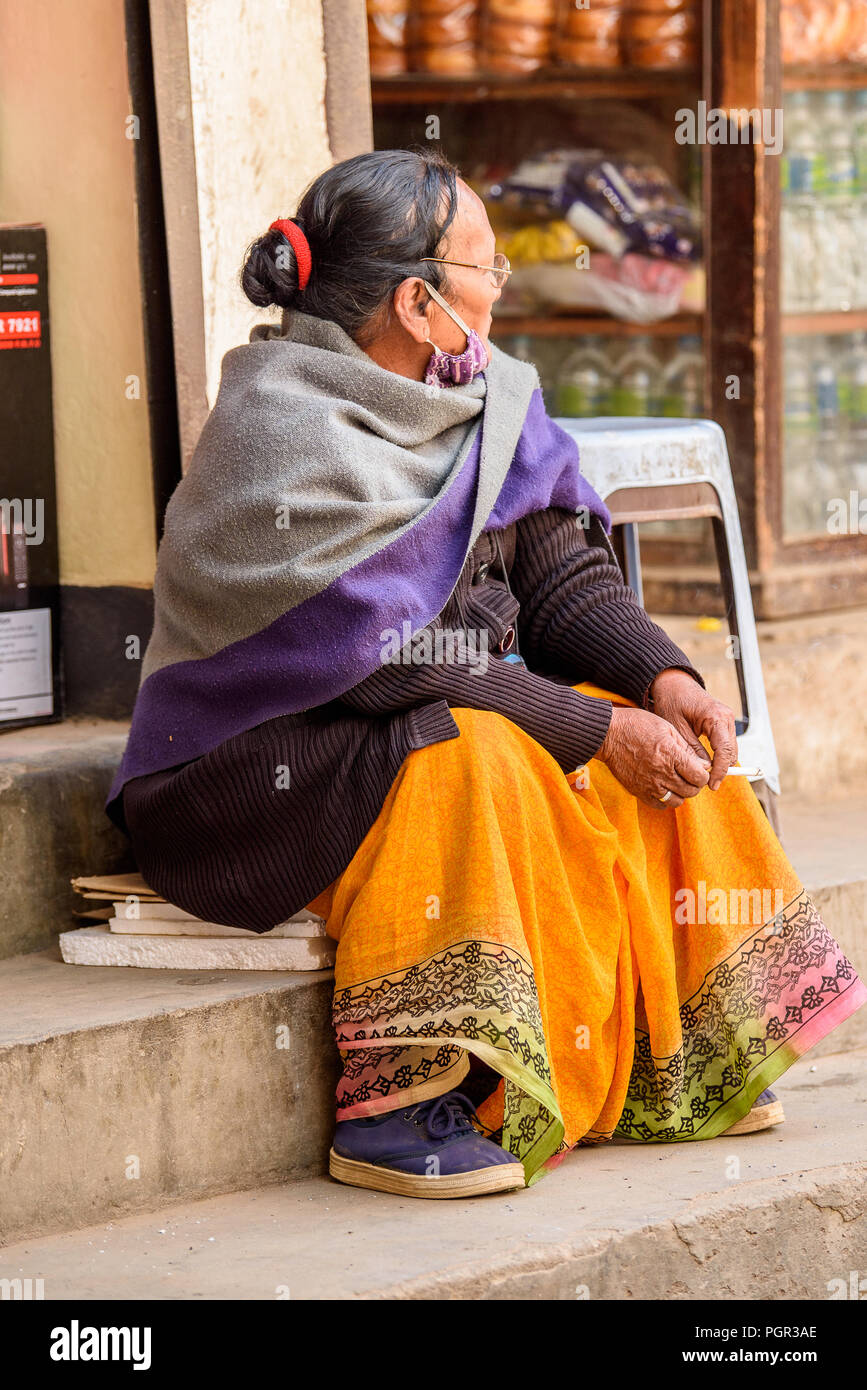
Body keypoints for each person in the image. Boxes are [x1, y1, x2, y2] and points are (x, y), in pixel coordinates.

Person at [108, 149, 865, 1200]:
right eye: (485, 268)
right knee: (480, 756)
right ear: (419, 302)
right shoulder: (278, 431)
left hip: (430, 711)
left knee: (648, 743)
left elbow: (563, 581)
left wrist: (661, 679)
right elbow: (391, 659)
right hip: (246, 779)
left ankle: (676, 1055)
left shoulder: (485, 402)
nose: (499, 288)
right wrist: (593, 731)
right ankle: (405, 1100)